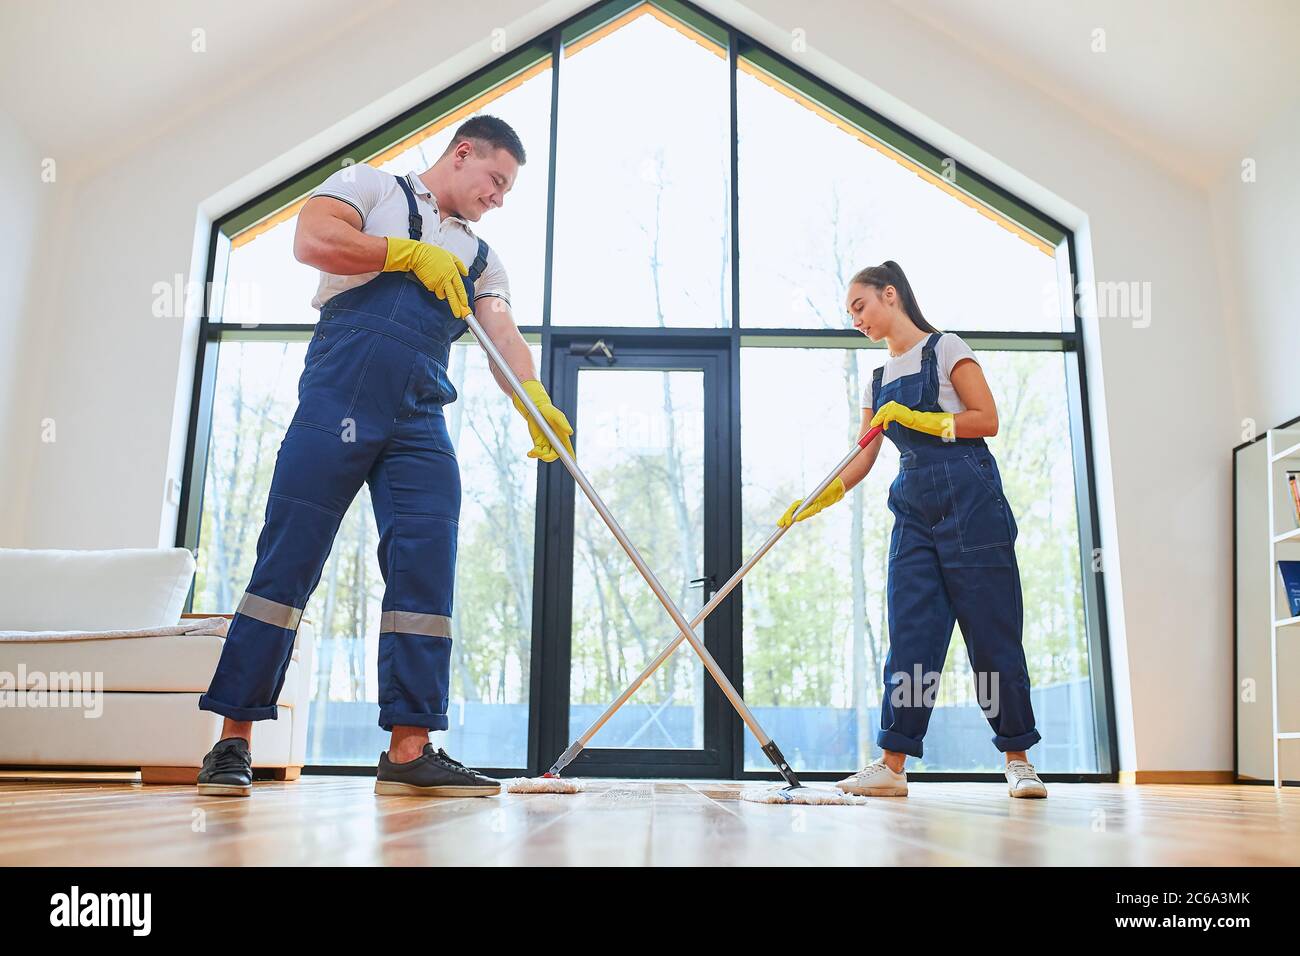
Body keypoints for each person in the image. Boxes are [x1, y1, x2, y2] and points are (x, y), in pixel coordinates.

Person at [196, 115, 574, 798]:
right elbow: (313, 240)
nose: (500, 198)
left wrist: (534, 398)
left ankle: (409, 748)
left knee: (425, 569)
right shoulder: (371, 186)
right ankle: (232, 741)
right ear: (463, 154)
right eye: (497, 180)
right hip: (338, 397)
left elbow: (502, 333)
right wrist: (404, 254)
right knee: (287, 560)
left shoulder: (484, 259)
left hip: (420, 416)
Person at [777, 261, 1047, 799]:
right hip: (914, 515)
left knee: (991, 635)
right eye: (850, 313)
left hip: (972, 505)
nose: (856, 319)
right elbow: (863, 456)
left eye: (860, 306)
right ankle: (893, 765)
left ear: (890, 295)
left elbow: (986, 418)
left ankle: (1018, 760)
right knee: (911, 639)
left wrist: (925, 420)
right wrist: (817, 498)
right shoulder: (876, 381)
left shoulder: (945, 348)